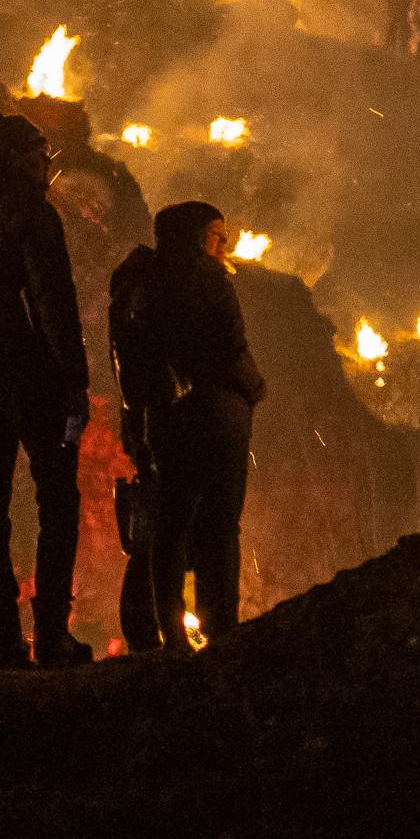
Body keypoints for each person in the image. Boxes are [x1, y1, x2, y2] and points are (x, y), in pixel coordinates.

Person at [0, 108, 91, 666]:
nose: (47, 167)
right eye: (42, 156)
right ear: (24, 155)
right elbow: (53, 302)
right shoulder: (31, 213)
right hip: (24, 373)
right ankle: (52, 631)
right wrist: (73, 381)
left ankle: (5, 637)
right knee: (57, 496)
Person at [108, 200, 267, 652]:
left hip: (163, 420)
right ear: (195, 236)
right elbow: (231, 349)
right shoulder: (210, 282)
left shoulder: (139, 282)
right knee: (219, 524)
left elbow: (128, 361)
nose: (225, 243)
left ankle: (167, 630)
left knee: (169, 522)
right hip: (217, 419)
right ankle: (222, 627)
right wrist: (254, 389)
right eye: (217, 234)